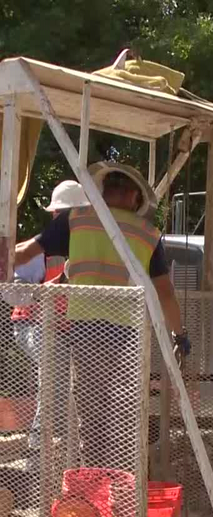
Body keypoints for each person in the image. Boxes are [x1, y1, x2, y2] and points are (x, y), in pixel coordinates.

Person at [12, 163, 190, 467]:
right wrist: (180, 335)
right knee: (123, 415)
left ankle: (93, 483)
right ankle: (125, 483)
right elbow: (166, 293)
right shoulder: (147, 233)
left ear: (102, 192)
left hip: (86, 332)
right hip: (127, 337)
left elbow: (25, 252)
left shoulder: (76, 219)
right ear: (135, 198)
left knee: (91, 414)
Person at [8, 180, 88, 456]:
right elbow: (12, 294)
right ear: (57, 215)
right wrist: (43, 292)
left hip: (63, 331)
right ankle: (38, 441)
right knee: (54, 366)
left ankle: (66, 441)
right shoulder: (38, 249)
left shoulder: (82, 249)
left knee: (73, 378)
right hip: (32, 325)